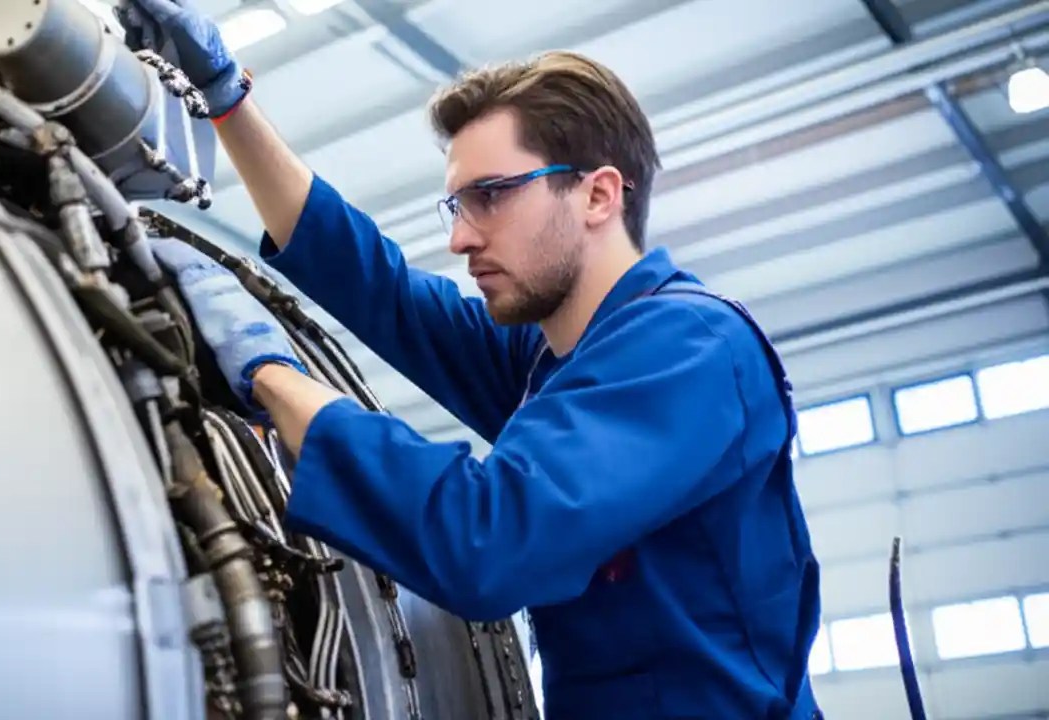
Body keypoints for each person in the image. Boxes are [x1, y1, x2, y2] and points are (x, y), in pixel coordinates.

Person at [127, 1, 824, 718]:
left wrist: (271, 378)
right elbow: (381, 289)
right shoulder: (551, 357)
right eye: (456, 205)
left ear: (598, 195)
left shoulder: (687, 351)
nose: (460, 239)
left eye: (489, 197)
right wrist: (226, 99)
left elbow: (487, 541)